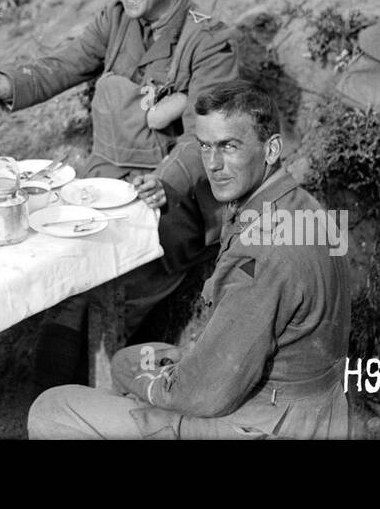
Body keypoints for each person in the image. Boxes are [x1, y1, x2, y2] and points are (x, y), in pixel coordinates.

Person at [0, 0, 240, 384]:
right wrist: (0, 83)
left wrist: (164, 183)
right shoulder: (116, 20)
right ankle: (49, 407)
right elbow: (65, 63)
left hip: (168, 200)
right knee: (65, 281)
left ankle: (92, 404)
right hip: (101, 188)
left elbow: (206, 137)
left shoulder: (209, 41)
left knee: (109, 292)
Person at [28, 81, 351, 440]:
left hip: (264, 421)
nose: (213, 164)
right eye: (205, 147)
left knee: (52, 409)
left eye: (229, 146)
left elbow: (207, 394)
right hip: (315, 405)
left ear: (272, 149)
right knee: (128, 362)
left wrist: (154, 389)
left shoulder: (260, 253)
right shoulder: (305, 207)